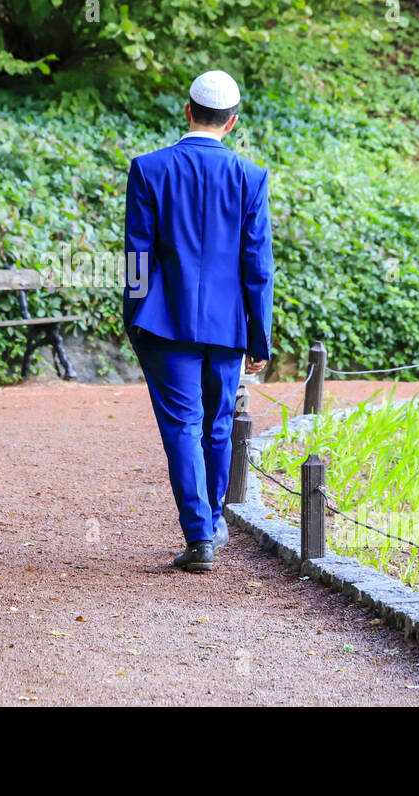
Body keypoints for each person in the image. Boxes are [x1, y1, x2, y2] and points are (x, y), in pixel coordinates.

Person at [123, 69, 275, 572]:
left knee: (182, 427)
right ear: (232, 122)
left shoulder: (149, 169)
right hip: (229, 324)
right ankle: (210, 520)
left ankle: (200, 536)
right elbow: (258, 265)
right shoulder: (250, 177)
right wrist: (260, 336)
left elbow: (136, 258)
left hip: (164, 322)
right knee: (219, 424)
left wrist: (134, 315)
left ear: (187, 110)